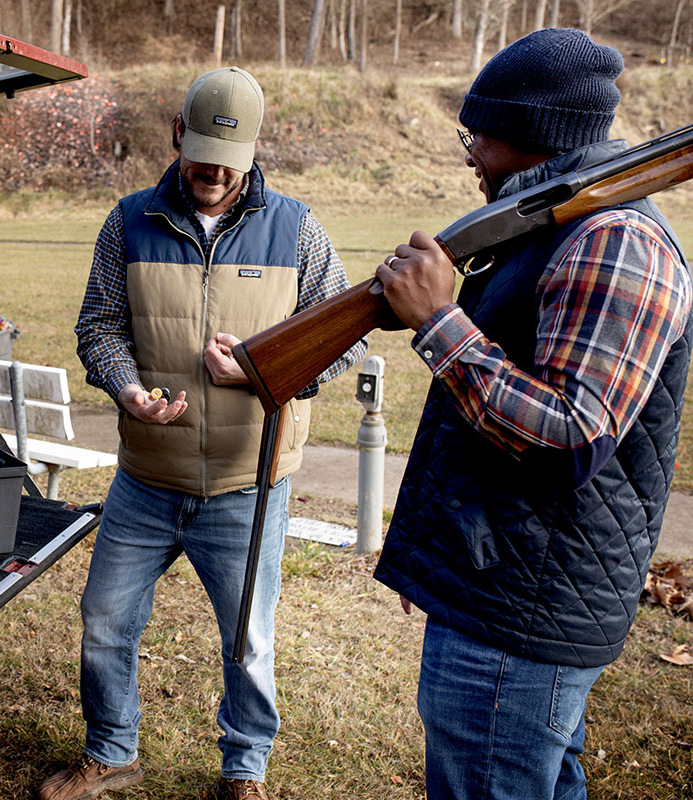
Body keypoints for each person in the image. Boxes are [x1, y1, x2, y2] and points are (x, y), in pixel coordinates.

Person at [372, 28, 692, 800]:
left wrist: (438, 322)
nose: (471, 157)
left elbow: (569, 436)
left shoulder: (615, 238)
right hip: (508, 590)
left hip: (522, 617)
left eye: (476, 137)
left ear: (528, 136)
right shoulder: (550, 225)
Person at [39, 67, 365, 800]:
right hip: (146, 480)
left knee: (249, 640)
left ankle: (244, 770)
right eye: (202, 158)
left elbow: (344, 339)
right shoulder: (128, 221)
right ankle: (112, 753)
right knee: (104, 621)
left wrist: (258, 370)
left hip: (249, 484)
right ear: (177, 135)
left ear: (253, 153)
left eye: (230, 163)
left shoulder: (298, 229)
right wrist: (127, 390)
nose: (214, 175)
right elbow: (99, 326)